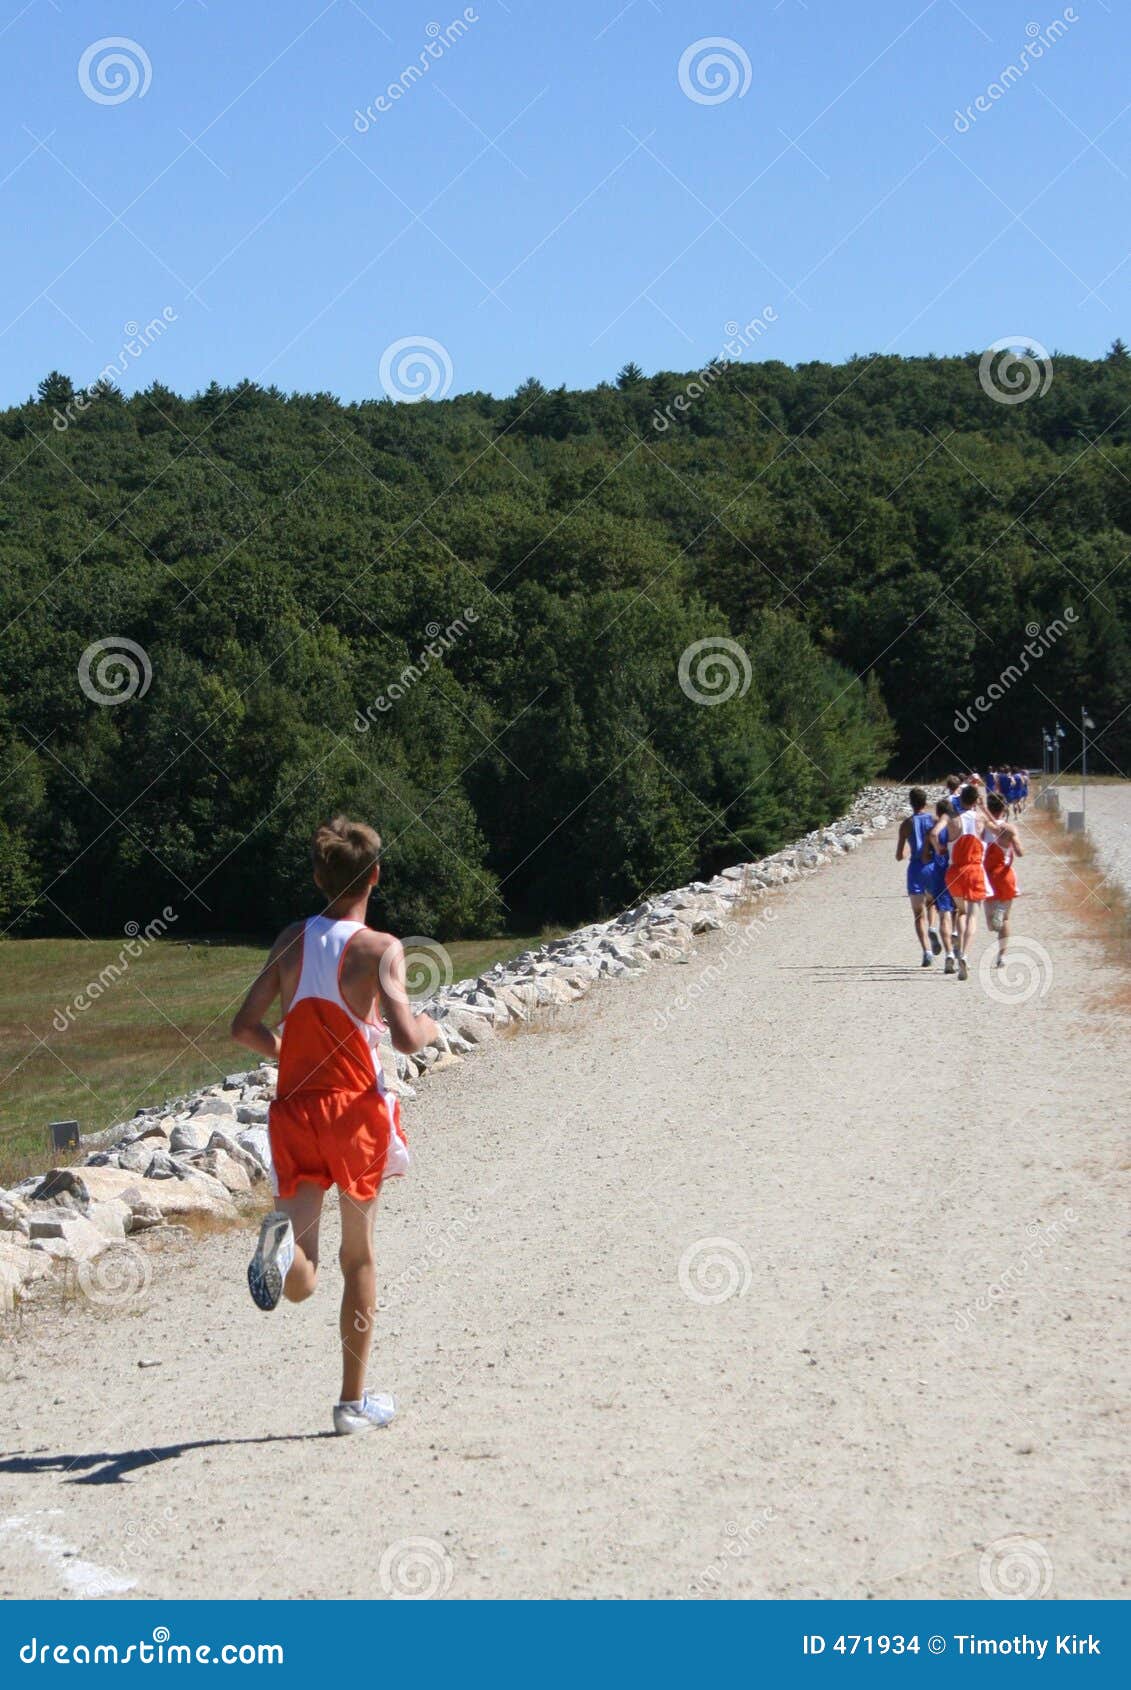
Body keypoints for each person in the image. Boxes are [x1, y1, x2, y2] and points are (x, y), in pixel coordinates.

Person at [231, 816, 439, 1435]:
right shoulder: (381, 949)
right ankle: (352, 1404)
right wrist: (430, 1028)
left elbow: (244, 1026)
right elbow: (403, 1035)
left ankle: (280, 1245)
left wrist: (290, 1052)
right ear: (373, 876)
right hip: (354, 1115)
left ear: (320, 878)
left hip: (296, 1109)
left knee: (303, 1275)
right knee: (359, 1259)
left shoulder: (292, 939)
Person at [944, 783, 989, 981]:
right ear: (976, 800)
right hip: (974, 870)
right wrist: (982, 805)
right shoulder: (980, 818)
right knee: (973, 916)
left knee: (960, 912)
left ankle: (955, 938)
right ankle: (965, 953)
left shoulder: (954, 820)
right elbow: (994, 828)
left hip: (954, 871)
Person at [896, 787, 941, 966]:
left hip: (915, 869)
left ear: (911, 802)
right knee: (932, 903)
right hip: (931, 867)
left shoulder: (906, 824)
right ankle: (933, 927)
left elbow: (899, 855)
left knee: (917, 914)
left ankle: (926, 951)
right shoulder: (934, 821)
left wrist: (908, 849)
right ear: (925, 802)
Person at [983, 792, 1024, 968]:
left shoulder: (983, 827)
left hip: (988, 877)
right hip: (1006, 876)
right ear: (1004, 808)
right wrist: (1014, 843)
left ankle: (996, 919)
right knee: (1005, 919)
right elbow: (1021, 852)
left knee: (992, 924)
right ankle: (1001, 956)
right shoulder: (1009, 829)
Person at [923, 800, 958, 974]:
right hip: (956, 872)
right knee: (960, 913)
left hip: (938, 873)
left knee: (944, 915)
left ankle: (949, 954)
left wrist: (937, 849)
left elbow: (925, 853)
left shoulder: (933, 828)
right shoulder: (956, 827)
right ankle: (958, 943)